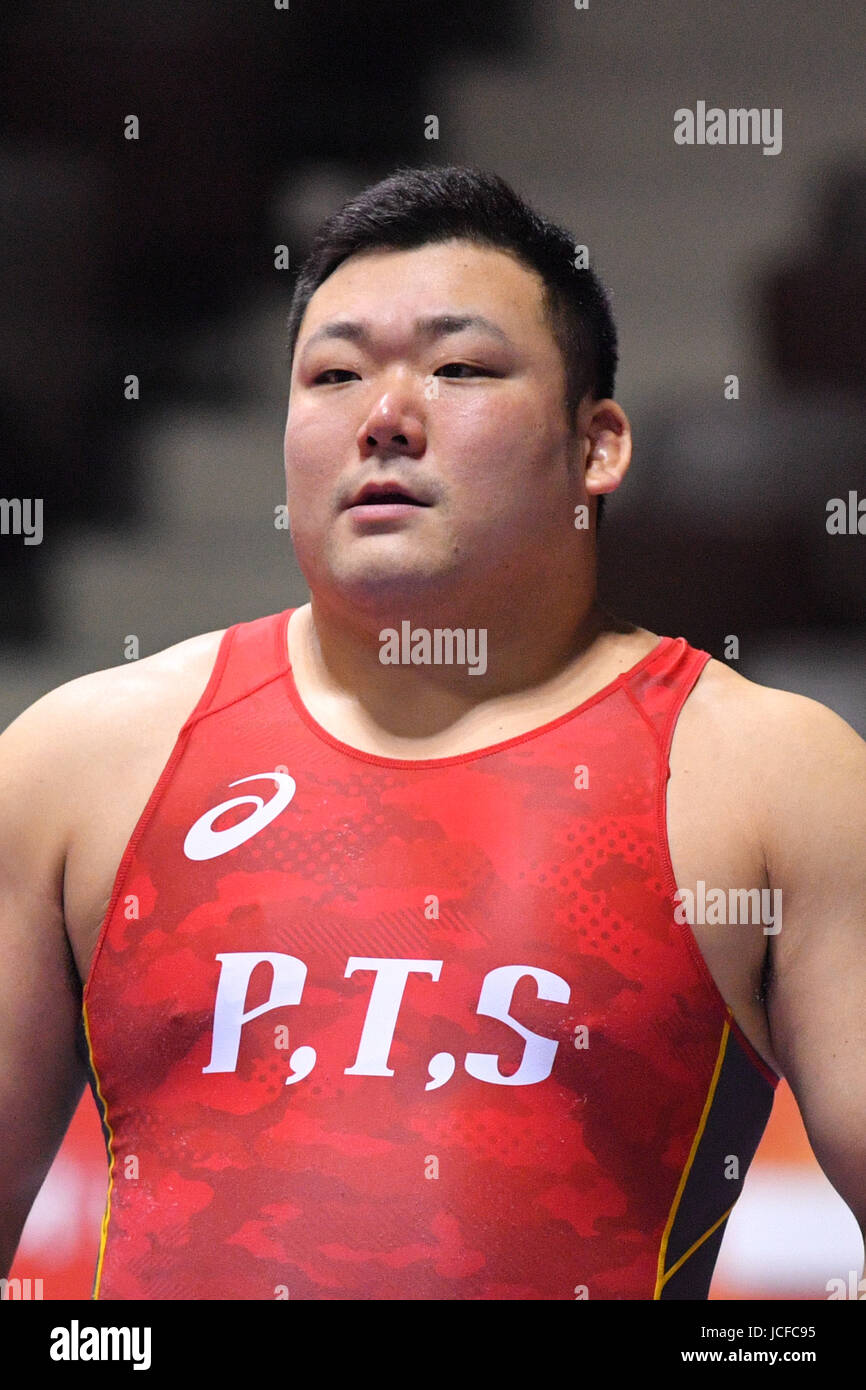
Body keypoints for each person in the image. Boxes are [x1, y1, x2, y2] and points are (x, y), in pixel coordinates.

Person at [1, 165, 863, 1301]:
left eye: (457, 369)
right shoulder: (76, 761)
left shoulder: (769, 778)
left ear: (596, 446)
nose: (382, 417)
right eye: (333, 374)